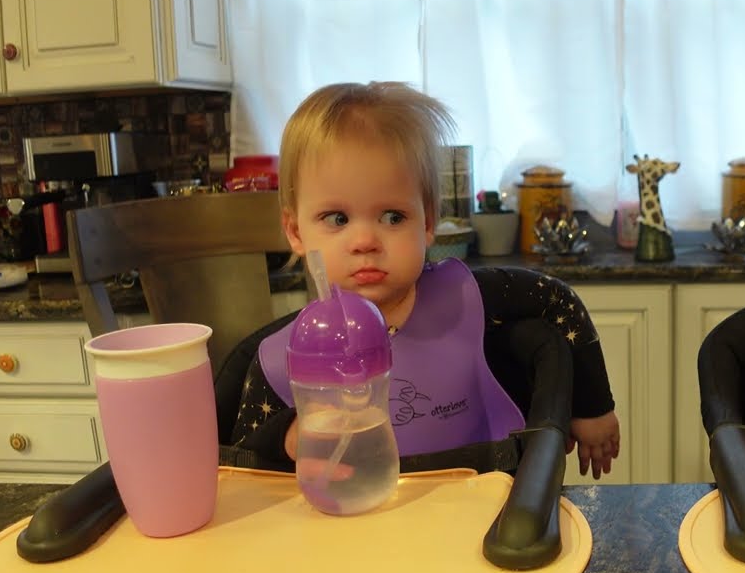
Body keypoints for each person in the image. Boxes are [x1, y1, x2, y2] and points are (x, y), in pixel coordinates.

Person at [230, 82, 620, 479]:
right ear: (296, 232)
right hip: (349, 517)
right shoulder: (278, 361)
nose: (365, 241)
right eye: (337, 218)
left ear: (428, 223)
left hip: (479, 507)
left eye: (393, 217)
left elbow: (557, 299)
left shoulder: (466, 299)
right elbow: (241, 465)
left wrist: (593, 408)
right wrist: (288, 437)